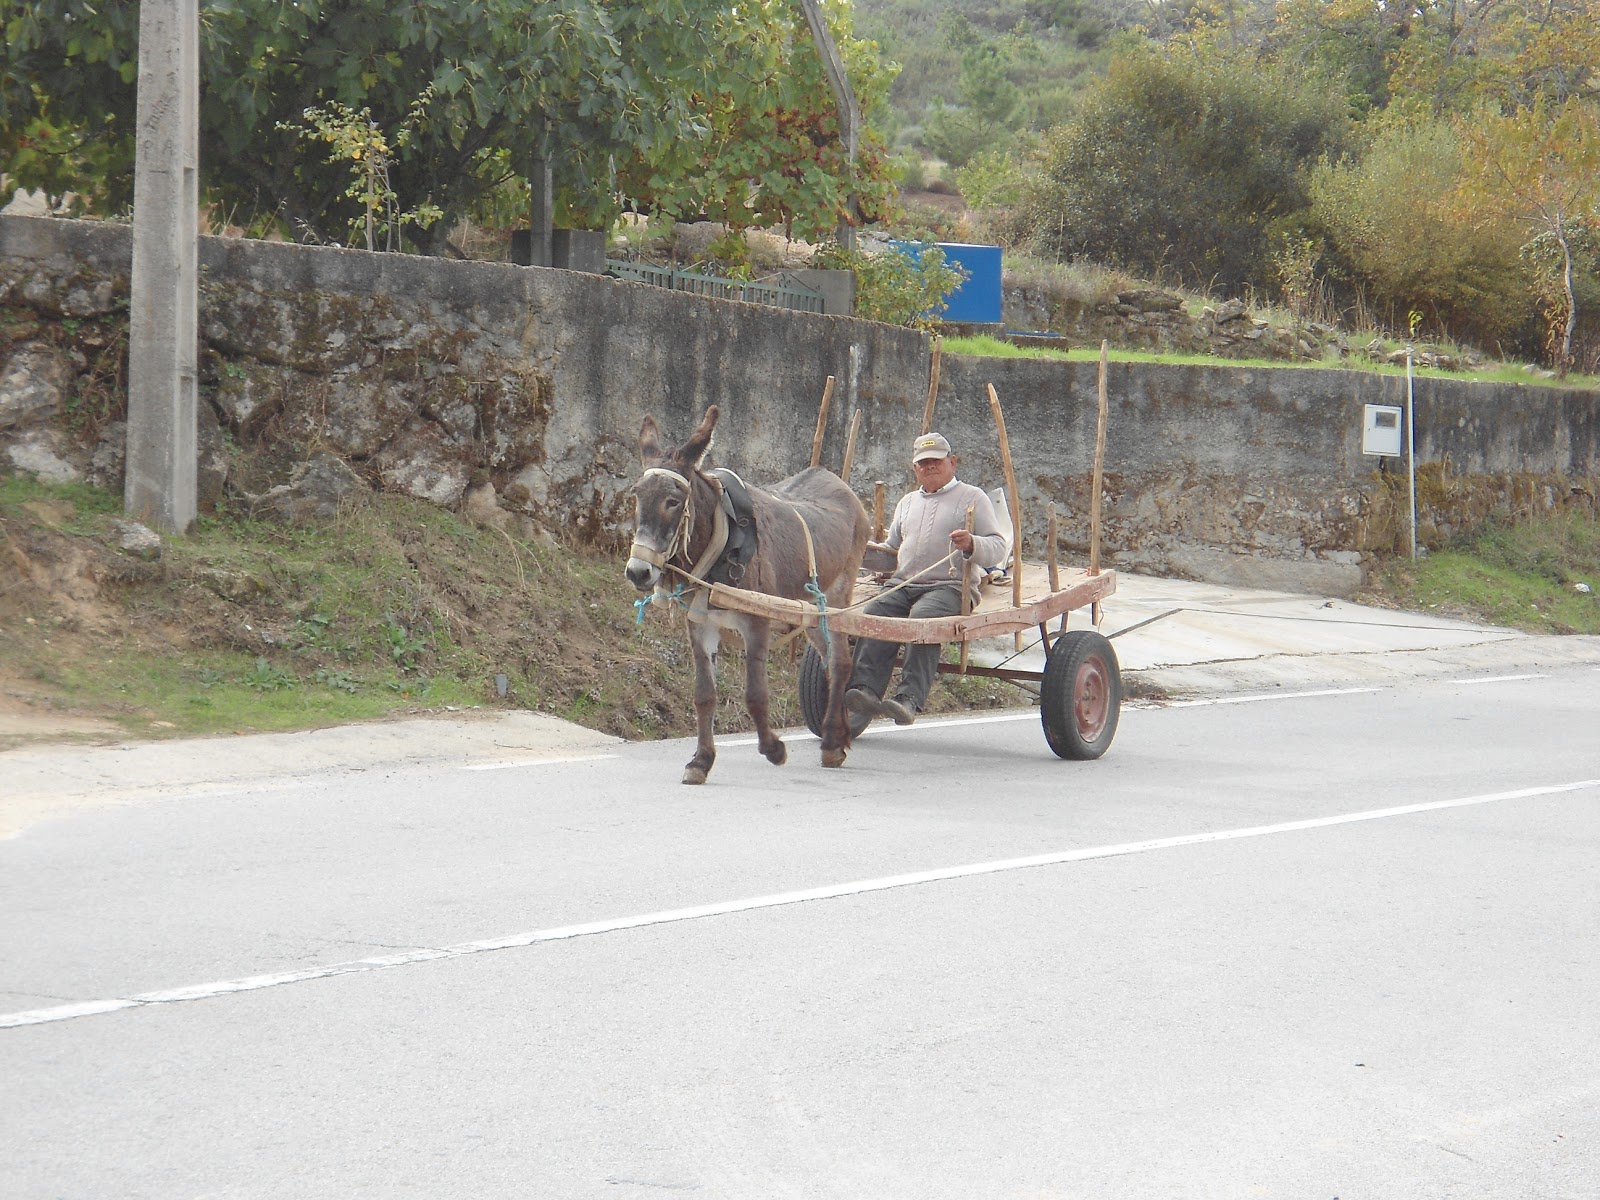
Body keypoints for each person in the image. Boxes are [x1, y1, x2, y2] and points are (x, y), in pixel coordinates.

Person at [845, 431, 1008, 726]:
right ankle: (865, 691)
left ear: (952, 462)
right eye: (923, 463)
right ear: (915, 468)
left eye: (936, 461)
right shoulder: (907, 502)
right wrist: (858, 552)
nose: (930, 466)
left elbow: (998, 547)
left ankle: (908, 699)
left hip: (950, 586)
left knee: (922, 619)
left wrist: (972, 543)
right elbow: (891, 554)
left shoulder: (973, 498)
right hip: (903, 583)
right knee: (875, 613)